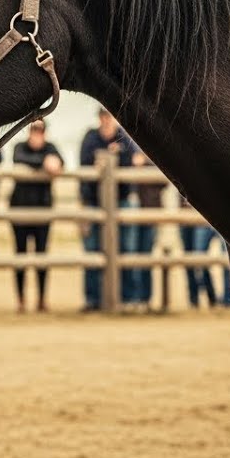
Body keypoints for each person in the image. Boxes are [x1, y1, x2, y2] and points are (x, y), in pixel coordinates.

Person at [78, 107, 137, 311]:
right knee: (92, 249)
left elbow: (131, 164)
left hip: (122, 200)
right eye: (103, 117)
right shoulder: (91, 137)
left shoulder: (123, 137)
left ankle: (127, 299)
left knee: (126, 250)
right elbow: (84, 163)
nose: (106, 120)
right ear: (99, 118)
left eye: (109, 117)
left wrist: (110, 159)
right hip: (94, 201)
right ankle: (92, 299)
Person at [10, 120, 62, 313]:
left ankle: (41, 299)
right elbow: (19, 158)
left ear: (45, 133)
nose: (36, 135)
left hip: (43, 212)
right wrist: (45, 162)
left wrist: (52, 162)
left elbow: (59, 163)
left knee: (42, 256)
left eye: (40, 131)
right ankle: (21, 300)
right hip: (19, 212)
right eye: (34, 131)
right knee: (20, 255)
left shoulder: (51, 147)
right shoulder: (20, 147)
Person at [122, 150, 163, 311]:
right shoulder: (126, 147)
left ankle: (145, 297)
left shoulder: (153, 149)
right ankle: (131, 296)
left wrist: (144, 163)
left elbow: (165, 180)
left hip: (149, 210)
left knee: (146, 254)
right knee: (129, 253)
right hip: (130, 211)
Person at [178, 195, 218, 309]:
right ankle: (194, 299)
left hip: (201, 213)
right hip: (183, 213)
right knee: (189, 258)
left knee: (199, 257)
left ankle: (211, 296)